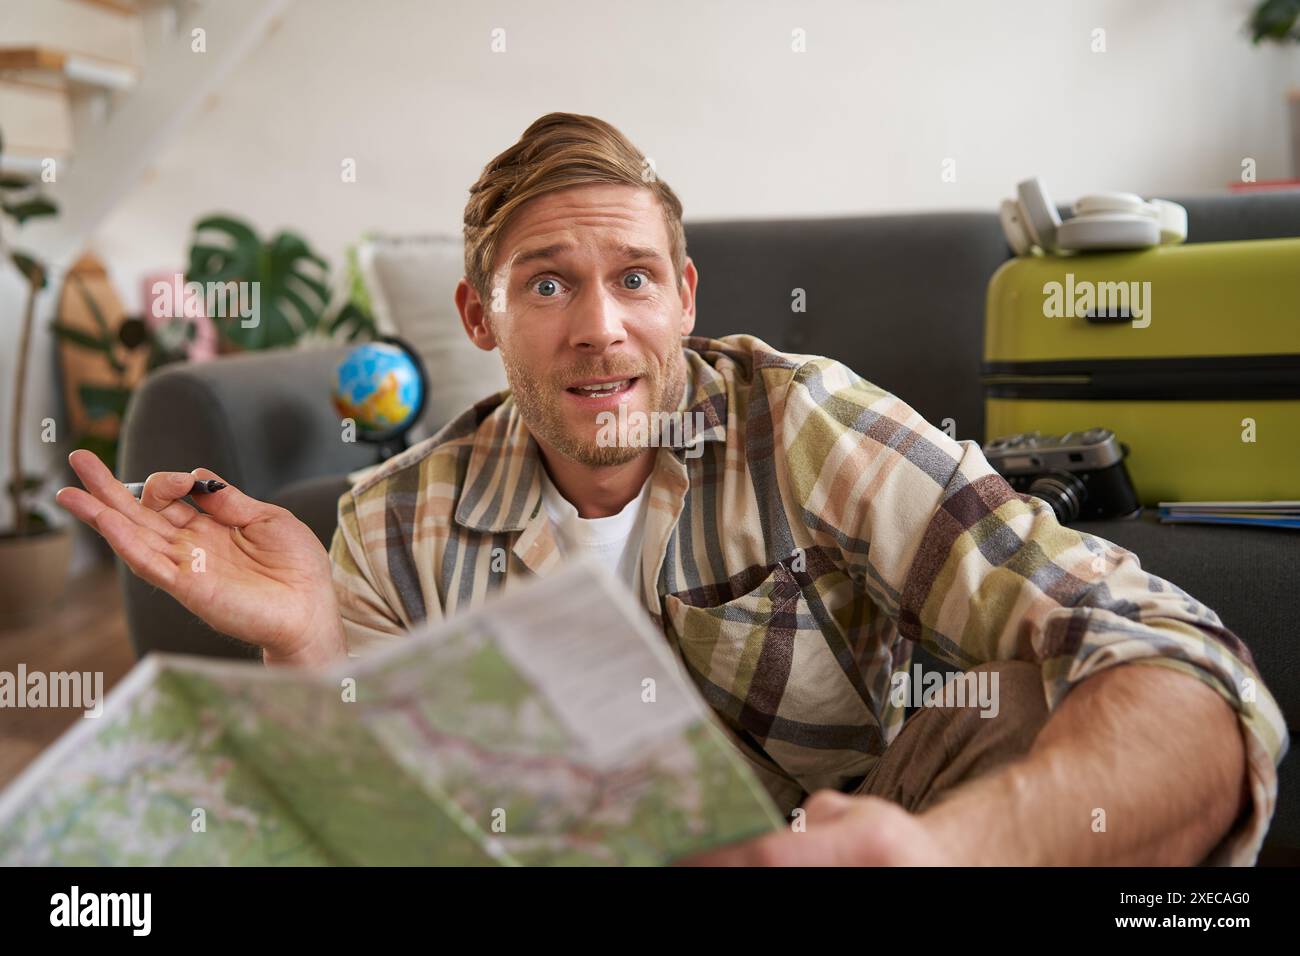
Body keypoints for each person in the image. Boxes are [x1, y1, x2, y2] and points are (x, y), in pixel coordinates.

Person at [58, 112, 1286, 866]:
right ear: (479, 314)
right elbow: (374, 826)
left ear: (686, 297)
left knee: (1036, 690)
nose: (600, 327)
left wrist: (939, 852)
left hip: (856, 836)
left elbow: (1180, 660)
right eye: (546, 284)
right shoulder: (390, 516)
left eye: (634, 278)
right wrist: (308, 639)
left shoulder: (804, 420)